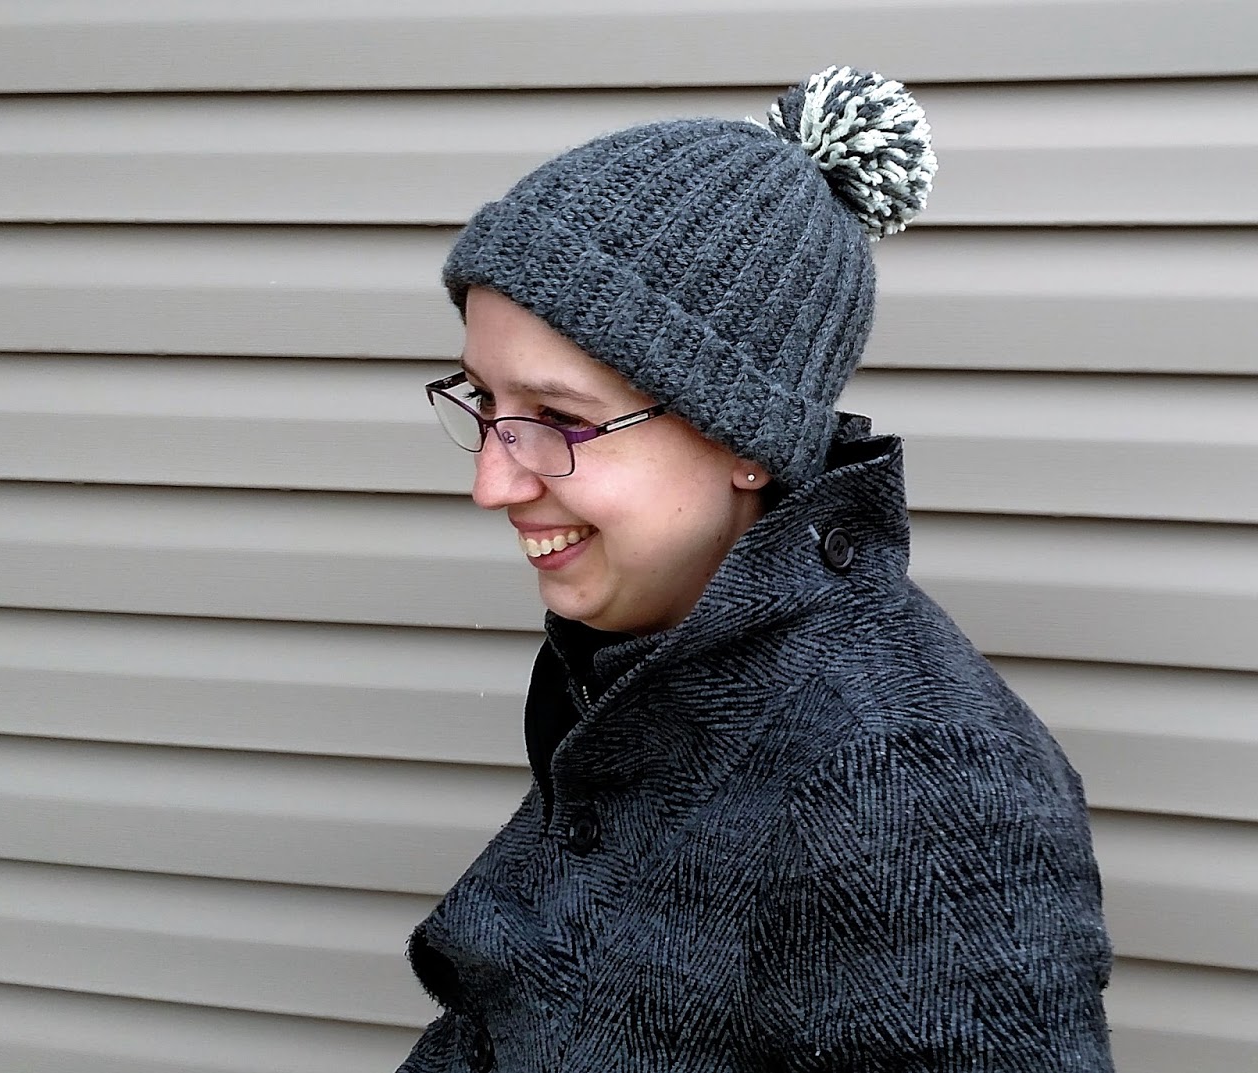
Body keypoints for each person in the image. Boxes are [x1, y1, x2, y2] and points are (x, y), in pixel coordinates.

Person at [400, 67, 1114, 1072]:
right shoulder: (647, 665)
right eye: (481, 399)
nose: (490, 482)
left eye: (558, 420)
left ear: (748, 440)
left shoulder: (912, 786)